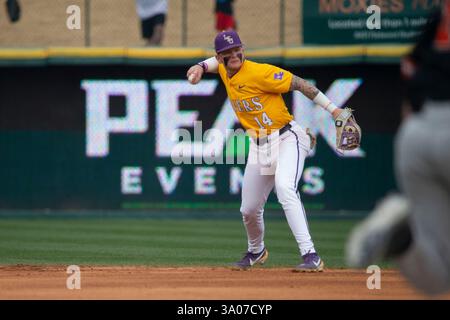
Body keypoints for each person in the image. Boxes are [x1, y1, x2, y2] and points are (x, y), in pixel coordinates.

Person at [186, 31, 353, 271]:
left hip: (287, 137)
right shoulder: (223, 68)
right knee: (249, 209)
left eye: (237, 50)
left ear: (243, 49)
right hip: (261, 145)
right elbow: (213, 63)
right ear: (220, 57)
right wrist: (200, 66)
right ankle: (256, 251)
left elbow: (300, 84)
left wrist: (335, 111)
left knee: (285, 187)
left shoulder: (259, 72)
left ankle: (311, 255)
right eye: (227, 53)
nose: (234, 55)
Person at [346, 2, 450, 295]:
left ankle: (401, 240)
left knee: (438, 278)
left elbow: (411, 66)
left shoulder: (439, 14)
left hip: (419, 129)